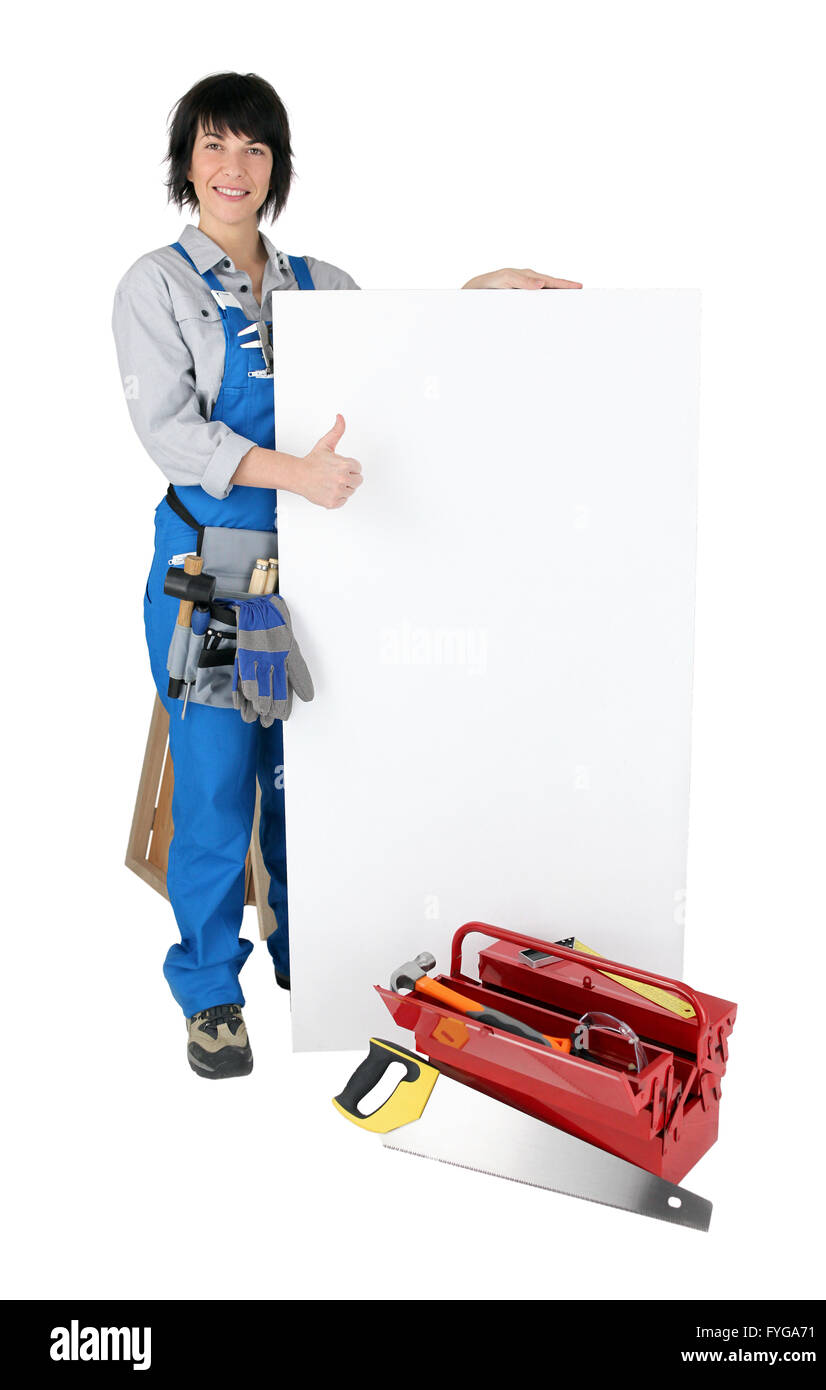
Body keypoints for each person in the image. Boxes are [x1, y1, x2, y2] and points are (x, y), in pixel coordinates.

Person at [113, 70, 582, 1080]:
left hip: (325, 572)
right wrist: (297, 475)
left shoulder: (318, 283)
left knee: (312, 782)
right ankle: (208, 989)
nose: (232, 167)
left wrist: (478, 296)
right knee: (215, 788)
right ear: (185, 164)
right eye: (213, 146)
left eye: (253, 149)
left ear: (276, 168)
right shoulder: (153, 286)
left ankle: (305, 955)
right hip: (216, 572)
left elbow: (392, 358)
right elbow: (172, 434)